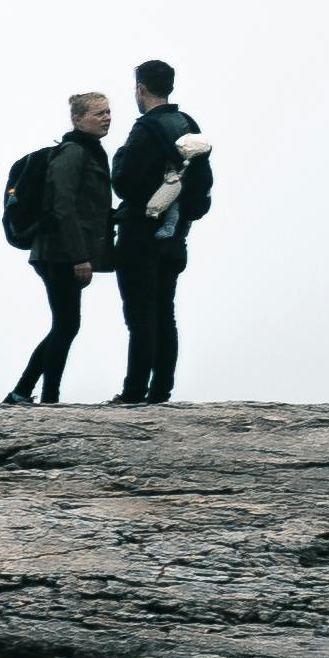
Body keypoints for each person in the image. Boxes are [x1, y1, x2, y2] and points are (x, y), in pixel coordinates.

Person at [3, 89, 116, 403]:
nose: (107, 118)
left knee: (65, 325)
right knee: (67, 325)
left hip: (62, 251)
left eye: (108, 112)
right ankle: (43, 396)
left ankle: (26, 392)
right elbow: (62, 206)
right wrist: (80, 257)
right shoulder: (73, 152)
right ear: (78, 119)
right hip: (58, 252)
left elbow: (88, 206)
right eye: (99, 113)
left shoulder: (90, 151)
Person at [113, 59, 215, 402]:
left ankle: (133, 392)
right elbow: (202, 182)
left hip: (140, 235)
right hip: (176, 235)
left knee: (140, 316)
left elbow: (124, 182)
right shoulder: (188, 124)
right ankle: (161, 390)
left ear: (141, 89)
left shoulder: (146, 128)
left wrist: (119, 156)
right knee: (164, 312)